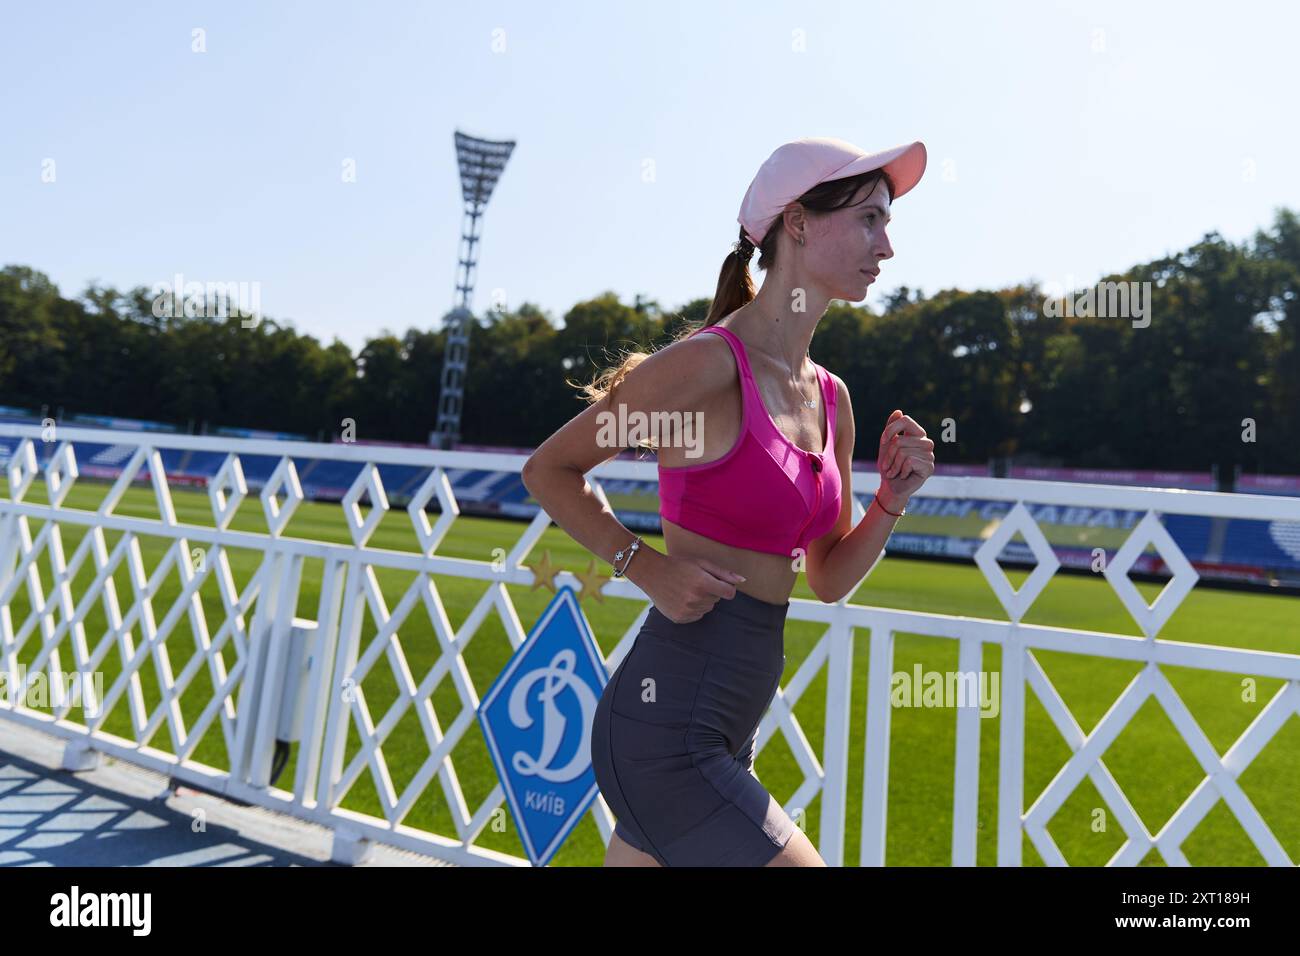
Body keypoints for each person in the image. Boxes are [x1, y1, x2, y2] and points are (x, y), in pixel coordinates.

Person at [521, 136, 937, 867]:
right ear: (799, 222)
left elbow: (829, 576)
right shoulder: (709, 367)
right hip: (664, 738)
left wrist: (890, 502)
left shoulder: (832, 399)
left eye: (887, 221)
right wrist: (642, 566)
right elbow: (551, 469)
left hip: (724, 737)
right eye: (871, 219)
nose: (888, 246)